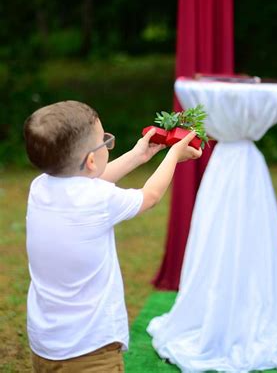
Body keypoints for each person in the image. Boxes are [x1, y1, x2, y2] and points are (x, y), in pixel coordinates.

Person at [23, 100, 202, 372]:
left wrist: (137, 156)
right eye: (105, 141)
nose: (108, 144)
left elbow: (90, 180)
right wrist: (173, 156)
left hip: (46, 343)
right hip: (91, 350)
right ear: (92, 159)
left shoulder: (40, 188)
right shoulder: (99, 199)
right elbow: (150, 196)